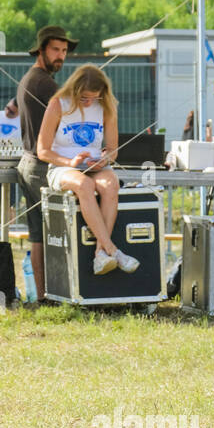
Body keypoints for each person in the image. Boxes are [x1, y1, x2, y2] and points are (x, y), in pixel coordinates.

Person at [36, 63, 137, 275]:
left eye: (95, 97)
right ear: (74, 90)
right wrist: (70, 162)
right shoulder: (57, 104)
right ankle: (112, 250)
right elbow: (43, 151)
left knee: (111, 184)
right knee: (84, 184)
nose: (89, 102)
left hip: (94, 165)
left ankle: (100, 254)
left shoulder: (106, 107)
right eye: (84, 98)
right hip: (62, 166)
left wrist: (104, 158)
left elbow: (112, 150)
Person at [16, 25, 75, 299]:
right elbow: (72, 118)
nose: (61, 56)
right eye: (55, 50)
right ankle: (55, 293)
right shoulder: (44, 82)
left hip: (31, 163)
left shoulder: (33, 78)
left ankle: (43, 296)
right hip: (42, 166)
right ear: (40, 51)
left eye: (64, 51)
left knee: (39, 234)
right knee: (54, 232)